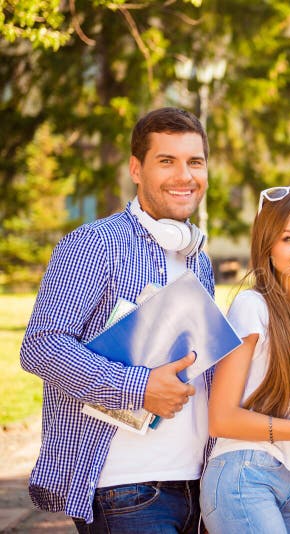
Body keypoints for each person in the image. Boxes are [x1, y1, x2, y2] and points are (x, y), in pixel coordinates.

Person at [21, 107, 214, 531]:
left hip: (195, 486)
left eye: (194, 162)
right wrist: (139, 386)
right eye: (167, 161)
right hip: (125, 489)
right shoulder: (95, 244)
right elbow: (40, 345)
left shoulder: (199, 260)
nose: (184, 175)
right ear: (136, 169)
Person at [199, 185, 290, 533]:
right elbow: (220, 420)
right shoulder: (253, 307)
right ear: (268, 245)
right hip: (244, 478)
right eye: (289, 239)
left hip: (288, 485)